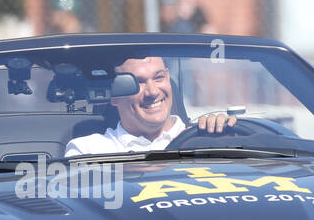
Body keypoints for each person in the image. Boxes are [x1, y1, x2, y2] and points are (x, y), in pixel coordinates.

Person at [63, 55, 235, 158]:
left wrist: (226, 135)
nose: (152, 92)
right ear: (114, 96)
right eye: (137, 82)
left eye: (159, 77)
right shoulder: (88, 151)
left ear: (169, 78)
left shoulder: (208, 138)